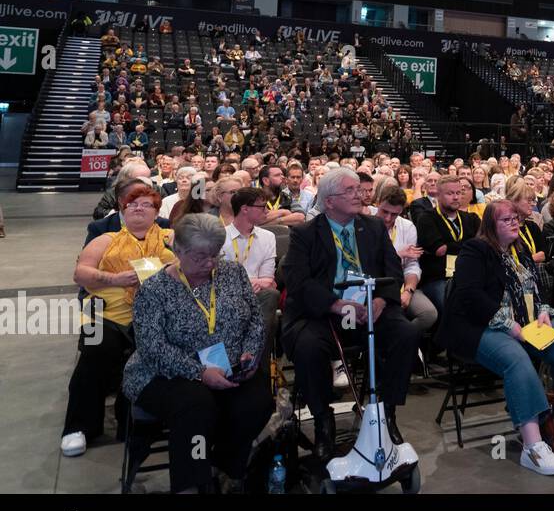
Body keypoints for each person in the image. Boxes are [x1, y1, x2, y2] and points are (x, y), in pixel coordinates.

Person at [440, 200, 554, 476]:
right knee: (516, 357)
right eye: (506, 220)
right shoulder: (475, 251)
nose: (514, 223)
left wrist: (544, 312)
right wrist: (509, 325)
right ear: (490, 225)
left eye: (516, 219)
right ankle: (532, 444)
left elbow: (537, 292)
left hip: (525, 324)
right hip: (481, 328)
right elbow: (469, 296)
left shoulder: (520, 252)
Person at [122, 214, 273, 492]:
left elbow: (255, 318)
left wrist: (249, 351)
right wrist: (199, 372)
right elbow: (151, 346)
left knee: (258, 402)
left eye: (214, 255)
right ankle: (192, 484)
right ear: (177, 251)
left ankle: (222, 465)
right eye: (200, 257)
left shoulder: (233, 273)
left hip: (228, 364)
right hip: (165, 372)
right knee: (196, 406)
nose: (209, 264)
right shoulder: (155, 289)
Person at [280, 168, 420, 461]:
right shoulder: (305, 233)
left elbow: (392, 269)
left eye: (359, 189)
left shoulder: (373, 227)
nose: (360, 195)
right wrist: (335, 304)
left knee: (406, 333)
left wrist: (381, 299)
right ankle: (322, 420)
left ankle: (384, 411)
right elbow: (298, 282)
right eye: (350, 191)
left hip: (370, 306)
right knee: (308, 347)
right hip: (324, 312)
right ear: (329, 201)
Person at [61, 183, 177, 457]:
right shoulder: (106, 239)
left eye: (146, 204)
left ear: (156, 212)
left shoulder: (170, 237)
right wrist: (115, 279)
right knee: (95, 350)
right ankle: (78, 427)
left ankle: (135, 421)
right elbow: (81, 274)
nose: (138, 207)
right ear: (123, 210)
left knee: (154, 352)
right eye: (132, 203)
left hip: (154, 316)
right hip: (103, 313)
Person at [222, 187, 279, 361]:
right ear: (245, 209)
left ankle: (252, 357)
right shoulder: (220, 236)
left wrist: (256, 284)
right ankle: (249, 358)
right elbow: (217, 278)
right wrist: (248, 284)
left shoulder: (268, 237)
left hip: (259, 295)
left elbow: (268, 280)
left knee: (270, 294)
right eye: (262, 207)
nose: (267, 211)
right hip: (225, 296)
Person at [373, 186, 436, 335]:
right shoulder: (364, 224)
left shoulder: (407, 227)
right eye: (385, 212)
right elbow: (368, 262)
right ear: (377, 203)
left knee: (429, 314)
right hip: (374, 285)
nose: (388, 218)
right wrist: (398, 254)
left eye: (394, 214)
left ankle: (403, 340)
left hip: (401, 283)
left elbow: (412, 265)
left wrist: (408, 291)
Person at [412, 176, 479, 314]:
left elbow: (481, 246)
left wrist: (451, 246)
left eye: (458, 193)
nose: (455, 197)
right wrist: (469, 245)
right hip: (439, 278)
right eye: (450, 193)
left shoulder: (471, 219)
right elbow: (439, 250)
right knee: (453, 306)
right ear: (438, 195)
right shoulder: (426, 218)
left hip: (468, 274)